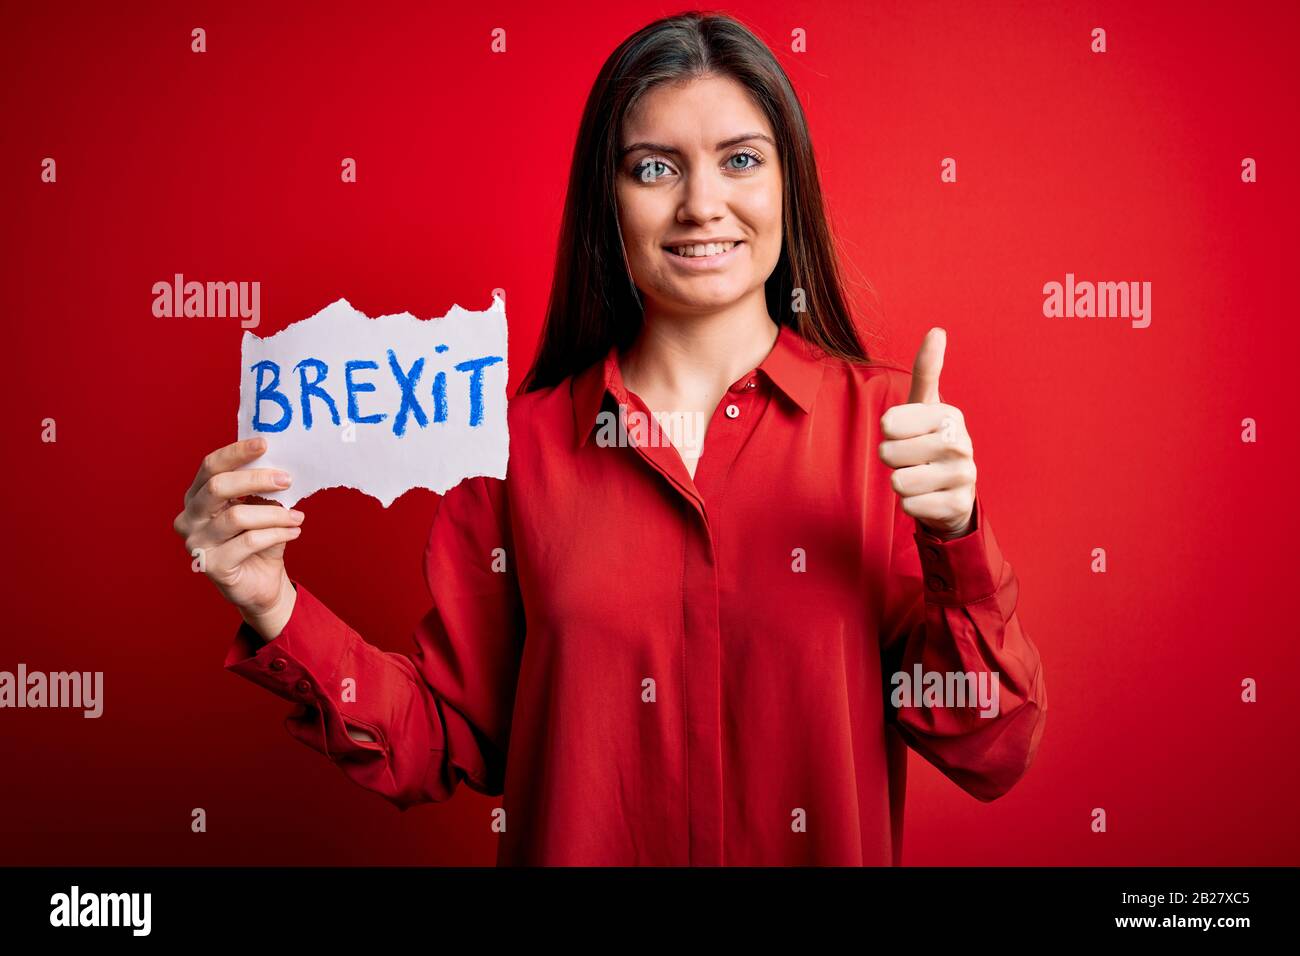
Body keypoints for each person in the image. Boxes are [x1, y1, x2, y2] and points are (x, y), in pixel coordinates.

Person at [172, 10, 1045, 866]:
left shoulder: (889, 436)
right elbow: (444, 738)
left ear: (789, 185)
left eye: (741, 160)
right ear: (609, 198)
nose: (703, 204)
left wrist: (956, 536)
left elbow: (990, 747)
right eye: (655, 167)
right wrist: (272, 603)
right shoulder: (516, 448)